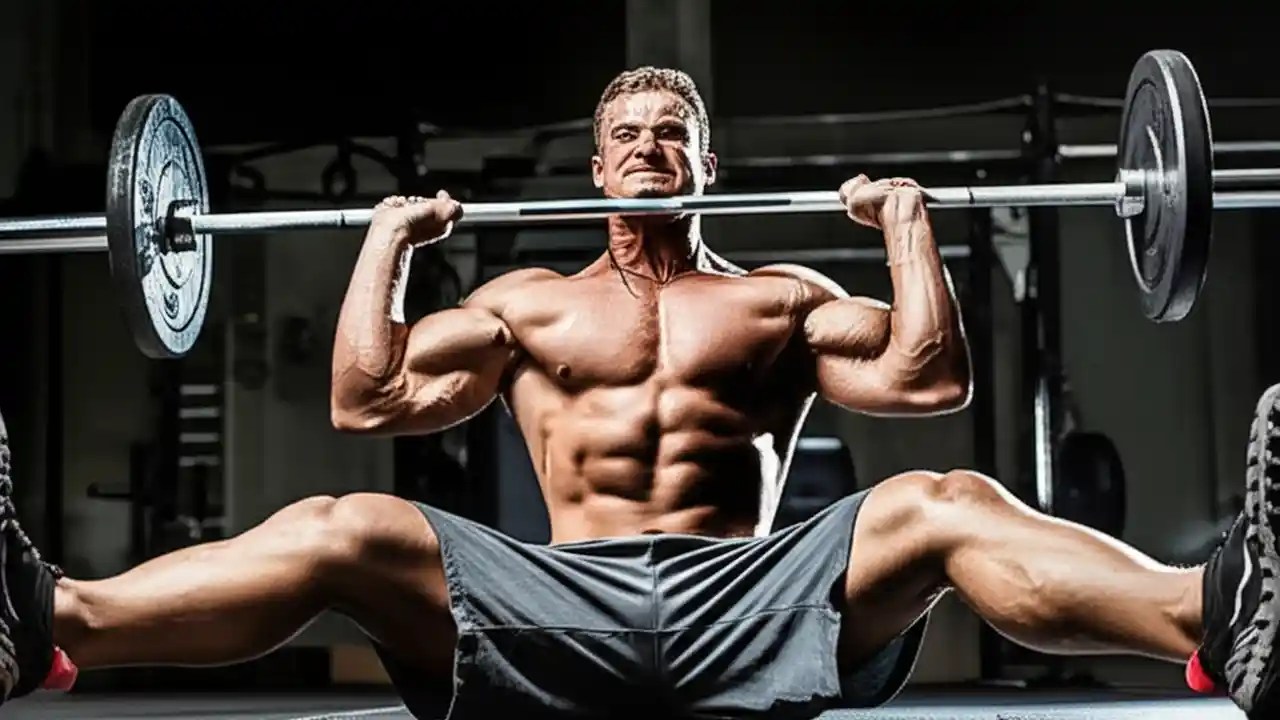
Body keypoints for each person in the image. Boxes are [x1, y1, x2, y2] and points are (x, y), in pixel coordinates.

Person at [0, 66, 1273, 720]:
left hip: (747, 597)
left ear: (703, 160)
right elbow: (368, 400)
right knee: (348, 529)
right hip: (554, 600)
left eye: (672, 132)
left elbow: (925, 381)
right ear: (596, 159)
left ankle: (1219, 613)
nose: (648, 148)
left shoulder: (774, 299)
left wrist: (904, 227)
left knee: (941, 502)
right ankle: (44, 618)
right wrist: (388, 239)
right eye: (627, 134)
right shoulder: (524, 305)